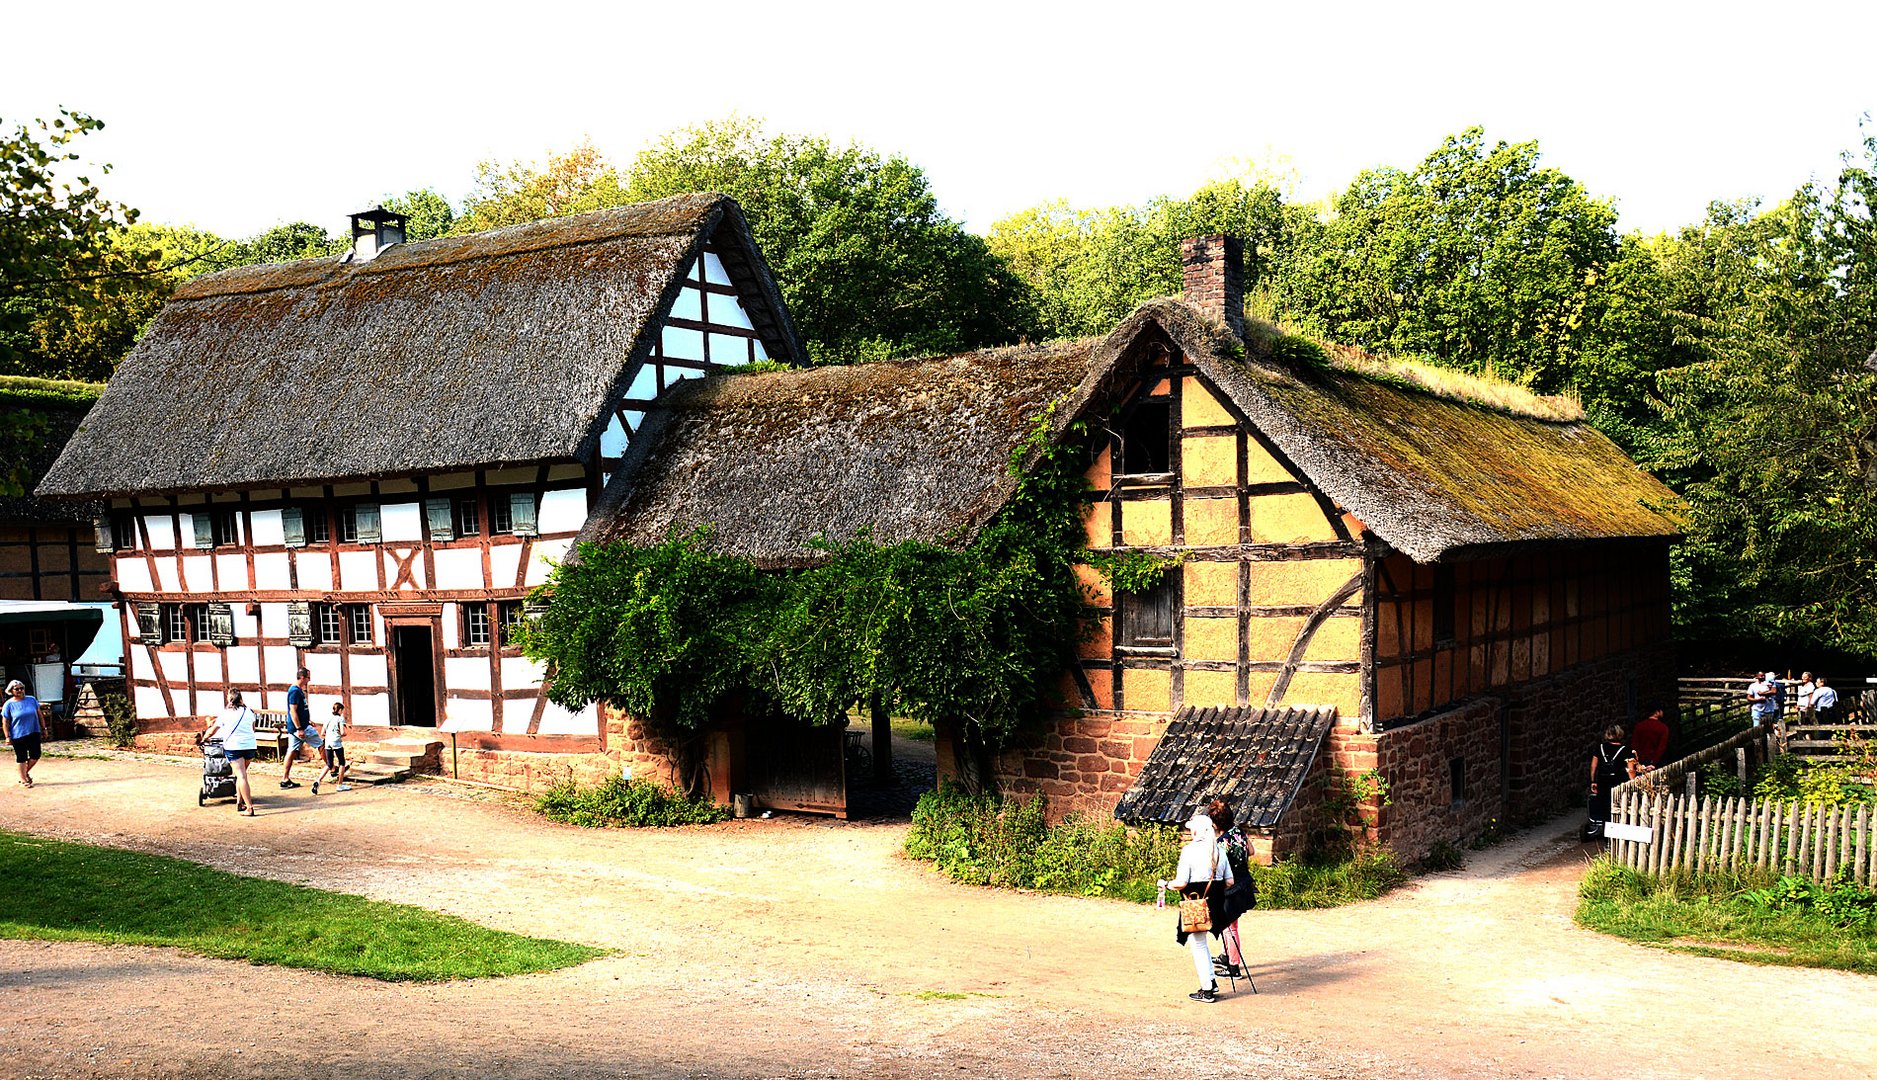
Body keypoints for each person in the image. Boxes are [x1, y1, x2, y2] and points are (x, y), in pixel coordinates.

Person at [1168, 810, 1234, 1003]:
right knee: (1201, 943)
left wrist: (1166, 884)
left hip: (1195, 904)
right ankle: (1210, 982)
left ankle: (1207, 989)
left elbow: (1181, 883)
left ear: (1197, 832)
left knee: (1198, 944)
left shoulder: (1189, 851)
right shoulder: (1219, 851)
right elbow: (1229, 881)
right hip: (1216, 904)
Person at [1206, 797, 1256, 981]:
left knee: (1229, 926)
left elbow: (1216, 870)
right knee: (1230, 924)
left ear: (1215, 823)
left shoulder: (1221, 844)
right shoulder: (1239, 832)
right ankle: (1226, 955)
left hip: (1231, 888)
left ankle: (1233, 967)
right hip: (1244, 883)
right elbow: (1251, 851)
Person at [205, 689, 260, 815]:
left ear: (229, 699)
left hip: (234, 747)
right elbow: (253, 729)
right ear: (241, 699)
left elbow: (212, 731)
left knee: (241, 776)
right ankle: (239, 803)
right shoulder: (248, 712)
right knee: (242, 775)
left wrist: (204, 739)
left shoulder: (225, 713)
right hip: (250, 746)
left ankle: (249, 807)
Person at [1585, 724, 1638, 841]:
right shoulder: (1626, 750)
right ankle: (1615, 832)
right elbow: (1631, 770)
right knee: (1617, 805)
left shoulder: (1600, 748)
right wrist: (1633, 782)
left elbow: (1594, 766)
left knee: (1604, 805)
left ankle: (1605, 831)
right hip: (1618, 781)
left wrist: (1593, 781)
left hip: (1603, 780)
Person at [281, 668, 321, 788]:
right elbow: (293, 711)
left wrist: (307, 720)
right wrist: (299, 728)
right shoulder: (294, 691)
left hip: (300, 726)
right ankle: (333, 768)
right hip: (299, 728)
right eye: (308, 677)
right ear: (302, 677)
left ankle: (285, 779)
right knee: (321, 744)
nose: (309, 680)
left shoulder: (298, 690)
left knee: (291, 751)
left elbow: (299, 710)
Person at [3, 679, 43, 788]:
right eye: (17, 689)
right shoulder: (9, 704)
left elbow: (39, 714)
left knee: (36, 755)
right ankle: (23, 779)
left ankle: (24, 773)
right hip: (18, 734)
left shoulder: (32, 700)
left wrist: (44, 728)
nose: (20, 690)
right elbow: (5, 721)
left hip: (33, 731)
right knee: (21, 757)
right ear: (11, 691)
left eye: (22, 688)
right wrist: (7, 736)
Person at [312, 702, 351, 795]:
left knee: (329, 764)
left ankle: (318, 780)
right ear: (340, 710)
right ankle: (340, 785)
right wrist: (344, 734)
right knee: (342, 763)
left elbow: (322, 733)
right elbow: (342, 732)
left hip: (327, 742)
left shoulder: (327, 719)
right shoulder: (340, 719)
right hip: (336, 742)